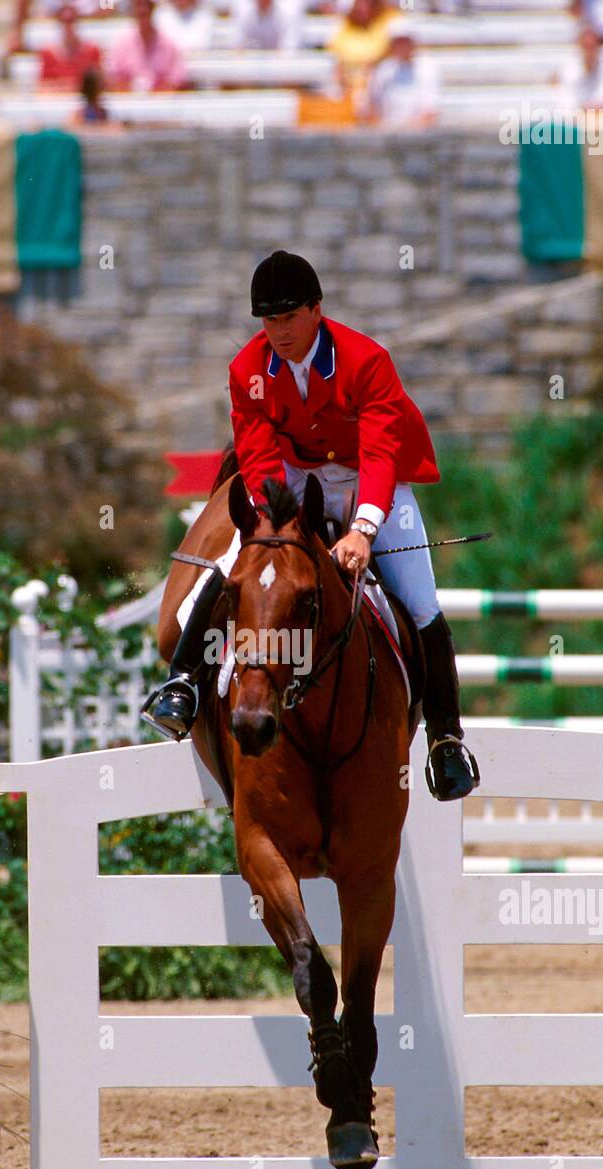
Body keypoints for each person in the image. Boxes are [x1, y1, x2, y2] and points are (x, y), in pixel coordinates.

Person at [142, 250, 480, 802]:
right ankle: (182, 683)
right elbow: (257, 455)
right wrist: (274, 521)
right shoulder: (247, 371)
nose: (279, 332)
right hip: (295, 474)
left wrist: (362, 530)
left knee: (420, 602)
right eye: (269, 321)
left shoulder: (366, 360)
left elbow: (379, 453)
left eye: (289, 318)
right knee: (236, 563)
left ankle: (446, 740)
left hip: (370, 476)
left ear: (316, 310)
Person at [366, 23, 440, 127]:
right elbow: (372, 105)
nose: (401, 46)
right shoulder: (384, 69)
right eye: (398, 42)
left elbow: (431, 110)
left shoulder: (427, 68)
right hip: (386, 130)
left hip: (418, 131)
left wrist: (412, 128)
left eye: (405, 42)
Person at [107, 0, 189, 91]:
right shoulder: (121, 44)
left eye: (146, 6)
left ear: (153, 9)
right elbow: (114, 79)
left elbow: (177, 80)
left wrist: (155, 92)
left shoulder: (168, 44)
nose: (142, 10)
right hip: (128, 98)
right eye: (138, 6)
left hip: (162, 99)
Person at [328, 0, 396, 101]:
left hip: (377, 87)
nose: (362, 8)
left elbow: (384, 54)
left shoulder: (388, 21)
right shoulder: (345, 24)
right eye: (359, 4)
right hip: (347, 85)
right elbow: (336, 55)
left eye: (367, 4)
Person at [557, 25, 603, 110]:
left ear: (599, 46)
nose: (589, 51)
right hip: (577, 113)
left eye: (592, 46)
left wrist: (594, 107)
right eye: (586, 46)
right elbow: (567, 97)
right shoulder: (569, 69)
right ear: (580, 47)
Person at [38, 3, 102, 83]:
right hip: (59, 91)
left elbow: (98, 82)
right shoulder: (48, 53)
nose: (68, 26)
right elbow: (45, 83)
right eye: (64, 21)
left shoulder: (92, 50)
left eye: (71, 20)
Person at [231, 0, 304, 49]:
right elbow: (237, 46)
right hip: (253, 63)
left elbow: (288, 48)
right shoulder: (246, 14)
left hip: (281, 64)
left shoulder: (288, 14)